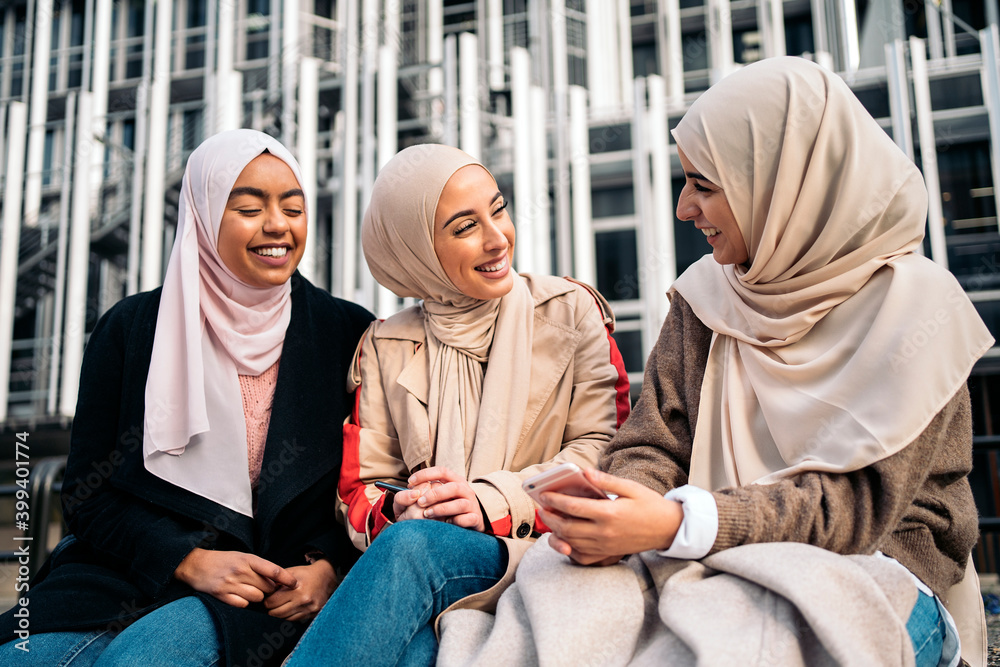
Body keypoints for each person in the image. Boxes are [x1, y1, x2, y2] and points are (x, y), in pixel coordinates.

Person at [434, 57, 995, 666]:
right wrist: (615, 507)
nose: (684, 209)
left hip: (876, 570)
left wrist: (673, 524)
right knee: (554, 599)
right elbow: (654, 447)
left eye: (704, 185)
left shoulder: (917, 311)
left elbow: (852, 511)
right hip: (706, 550)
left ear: (782, 186)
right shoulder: (707, 298)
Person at [0, 129, 375, 666]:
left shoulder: (347, 333)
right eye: (249, 208)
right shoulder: (132, 329)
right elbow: (87, 494)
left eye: (293, 208)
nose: (278, 225)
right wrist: (186, 559)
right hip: (121, 578)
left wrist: (329, 567)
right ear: (203, 216)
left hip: (268, 597)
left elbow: (374, 479)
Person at [283, 143, 630, 665]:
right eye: (465, 227)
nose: (498, 239)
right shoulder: (383, 344)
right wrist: (399, 505)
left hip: (541, 547)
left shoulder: (570, 310)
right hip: (430, 562)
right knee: (415, 650)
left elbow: (609, 452)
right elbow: (359, 487)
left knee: (413, 548)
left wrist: (491, 500)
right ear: (415, 249)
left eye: (499, 209)